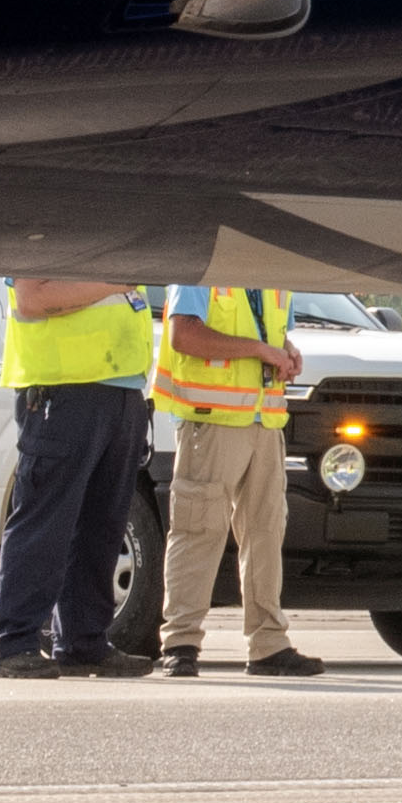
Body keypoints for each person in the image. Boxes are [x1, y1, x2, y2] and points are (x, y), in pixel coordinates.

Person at [0, 280, 154, 679]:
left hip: (122, 387)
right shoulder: (51, 240)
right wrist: (117, 281)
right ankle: (13, 644)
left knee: (102, 527)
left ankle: (84, 643)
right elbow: (33, 299)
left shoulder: (114, 247)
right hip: (61, 390)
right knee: (44, 523)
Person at [150, 282, 318, 677]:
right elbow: (184, 335)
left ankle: (268, 644)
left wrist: (286, 352)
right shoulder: (203, 269)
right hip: (211, 419)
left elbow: (269, 332)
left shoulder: (271, 275)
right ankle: (180, 643)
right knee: (198, 528)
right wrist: (261, 350)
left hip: (265, 419)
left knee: (266, 532)